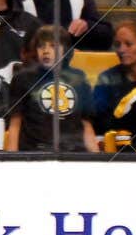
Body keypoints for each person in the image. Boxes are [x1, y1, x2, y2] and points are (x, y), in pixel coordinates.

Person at [6, 25, 98, 153]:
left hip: (74, 153)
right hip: (34, 152)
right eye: (41, 46)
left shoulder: (79, 78)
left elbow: (86, 124)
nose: (46, 51)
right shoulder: (23, 78)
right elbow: (15, 122)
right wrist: (13, 160)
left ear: (65, 50)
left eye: (53, 46)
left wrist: (96, 158)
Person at [91, 20, 136, 132]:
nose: (121, 50)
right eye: (118, 45)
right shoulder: (107, 78)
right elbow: (98, 119)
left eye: (128, 44)